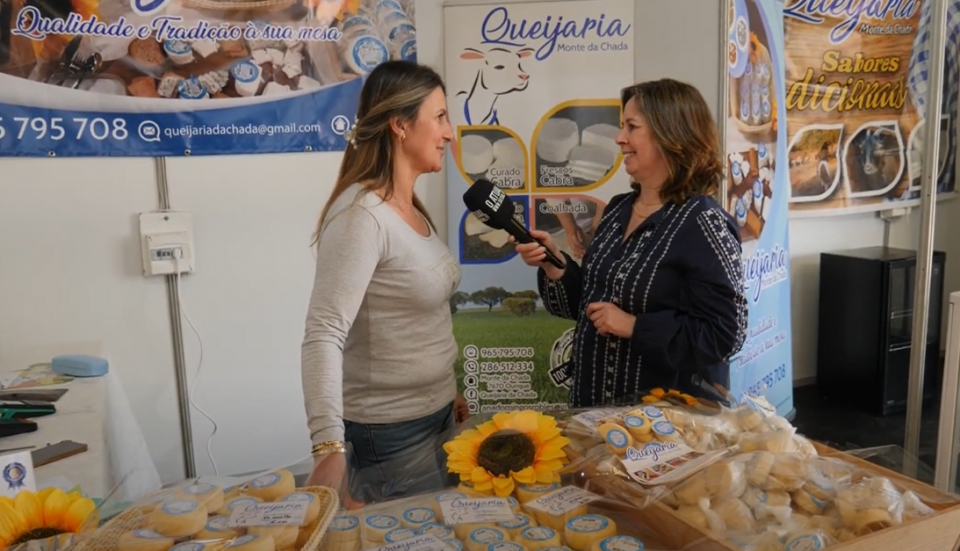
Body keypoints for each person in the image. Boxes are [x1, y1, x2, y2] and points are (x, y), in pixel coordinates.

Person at [514, 78, 749, 408]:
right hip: (596, 414)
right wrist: (554, 265)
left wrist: (636, 327)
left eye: (631, 126)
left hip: (665, 429)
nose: (619, 138)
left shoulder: (704, 222)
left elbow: (726, 335)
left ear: (671, 135)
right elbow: (591, 310)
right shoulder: (617, 210)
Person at [301, 60, 469, 504]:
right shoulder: (362, 217)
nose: (450, 132)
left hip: (436, 415)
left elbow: (417, 312)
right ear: (399, 124)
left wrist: (445, 390)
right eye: (439, 117)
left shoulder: (410, 207)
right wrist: (328, 446)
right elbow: (323, 333)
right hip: (388, 430)